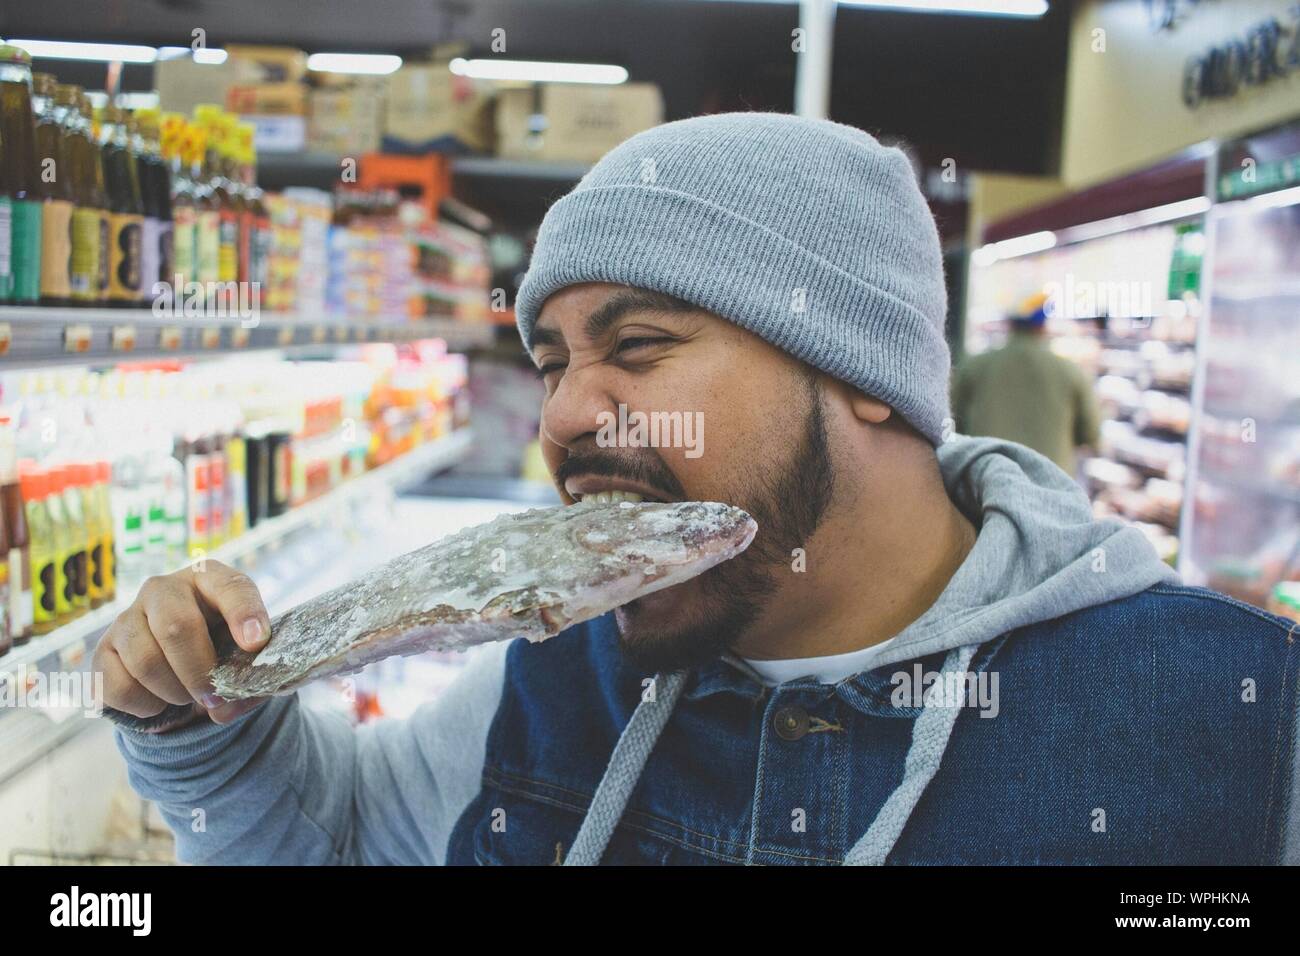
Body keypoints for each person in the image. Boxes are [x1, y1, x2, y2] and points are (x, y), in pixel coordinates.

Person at [102, 113, 1299, 866]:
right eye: (553, 359)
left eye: (637, 345)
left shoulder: (1238, 718)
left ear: (861, 373)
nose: (564, 414)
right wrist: (201, 727)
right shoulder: (551, 676)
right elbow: (342, 838)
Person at [950, 293, 1102, 474]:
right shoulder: (1070, 372)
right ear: (1042, 326)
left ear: (1010, 324)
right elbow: (1091, 435)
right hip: (1050, 487)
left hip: (984, 481)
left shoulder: (975, 366)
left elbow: (952, 420)